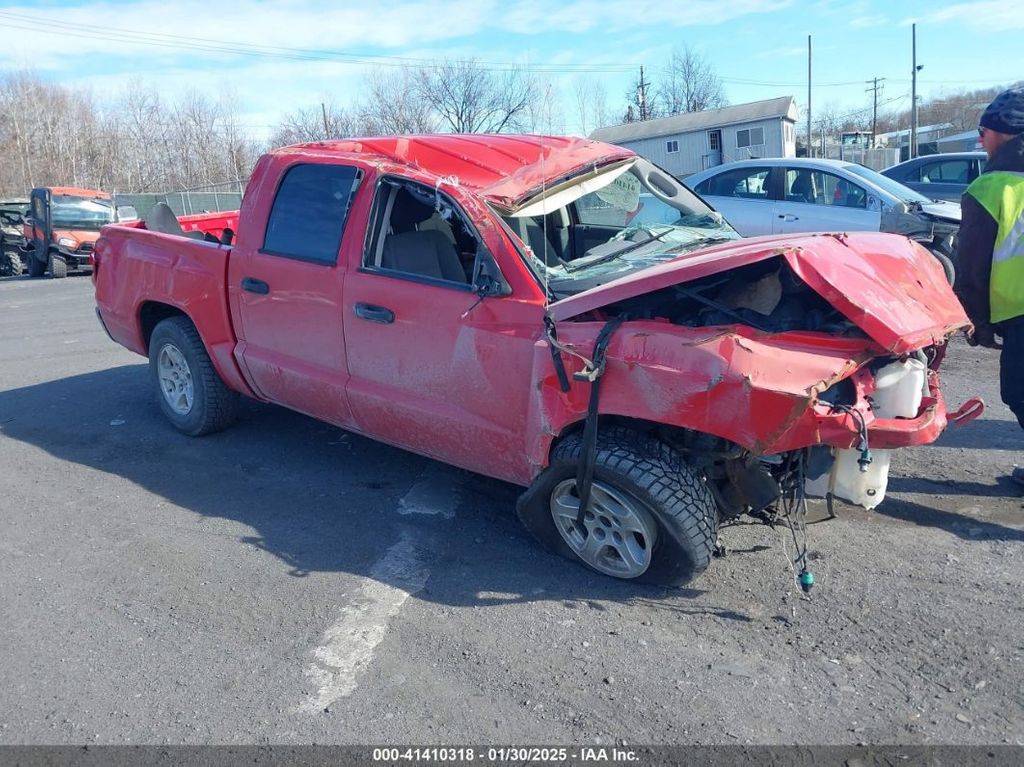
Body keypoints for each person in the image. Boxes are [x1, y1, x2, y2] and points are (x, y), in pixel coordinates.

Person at [955, 86, 1024, 480]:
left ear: (1003, 133)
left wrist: (977, 323)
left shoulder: (990, 189)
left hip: (1019, 312)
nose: (980, 141)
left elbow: (972, 270)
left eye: (982, 132)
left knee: (1019, 392)